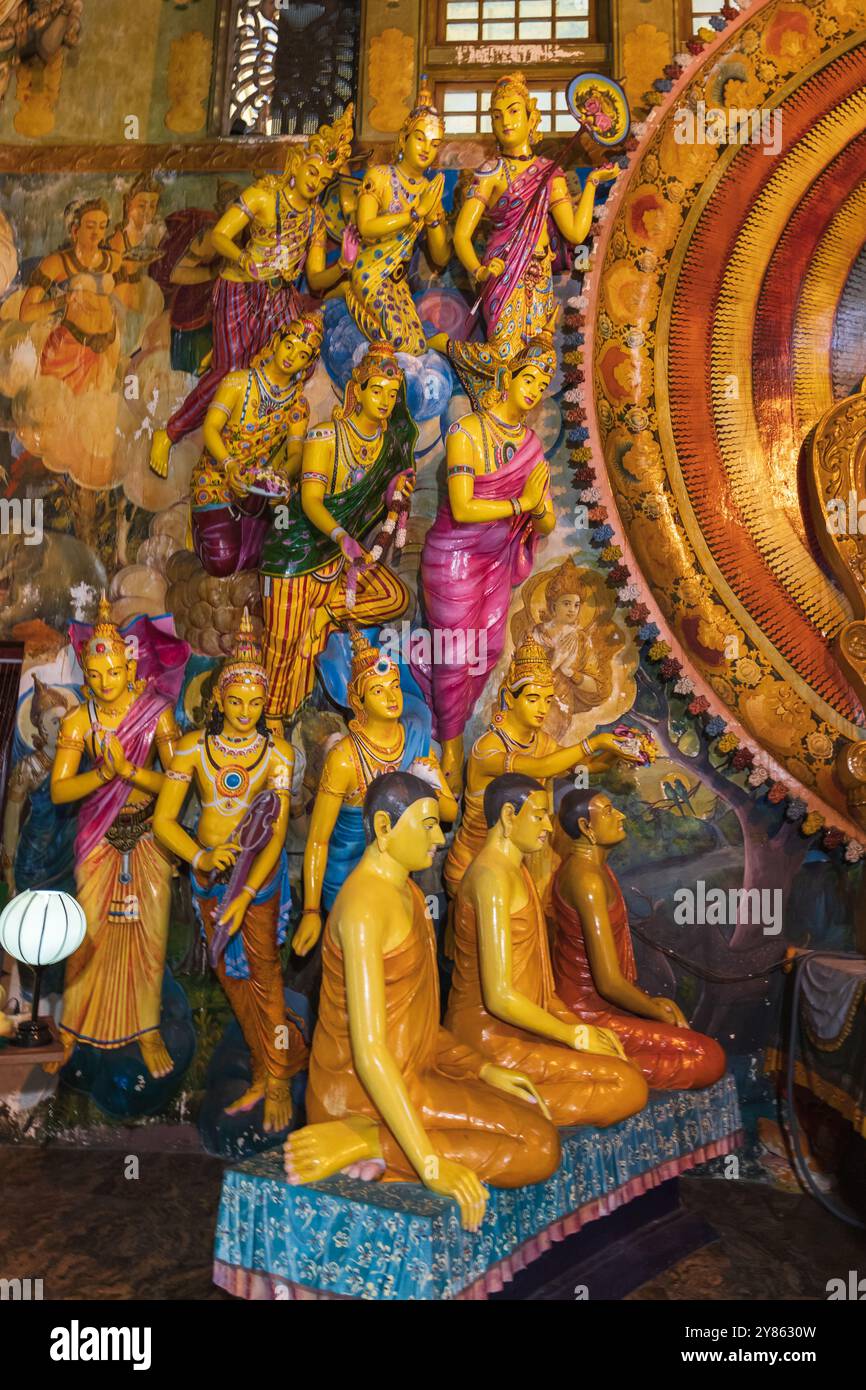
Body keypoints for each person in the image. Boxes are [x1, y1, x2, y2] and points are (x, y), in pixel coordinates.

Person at [284, 771, 562, 1232]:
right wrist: (430, 1164)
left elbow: (417, 1025)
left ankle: (375, 1142)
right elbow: (371, 1052)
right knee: (538, 1147)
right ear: (382, 829)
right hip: (359, 1098)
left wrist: (482, 1069)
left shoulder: (409, 893)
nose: (439, 836)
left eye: (438, 824)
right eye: (427, 824)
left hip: (413, 1076)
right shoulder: (362, 909)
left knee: (534, 1117)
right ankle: (367, 1141)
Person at [153, 610, 307, 1133]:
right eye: (236, 701)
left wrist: (245, 895)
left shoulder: (278, 753)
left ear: (266, 705)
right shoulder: (194, 748)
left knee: (264, 975)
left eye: (255, 703)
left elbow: (278, 834)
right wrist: (197, 856)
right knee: (231, 977)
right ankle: (264, 1069)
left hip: (257, 877)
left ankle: (281, 1076)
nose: (245, 712)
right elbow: (164, 821)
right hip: (209, 876)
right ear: (218, 699)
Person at [149, 106, 354, 476]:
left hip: (281, 299)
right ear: (297, 163)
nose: (315, 182)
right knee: (232, 371)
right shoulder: (263, 195)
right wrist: (244, 259)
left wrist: (343, 266)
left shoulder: (315, 218)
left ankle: (260, 445)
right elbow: (219, 235)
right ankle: (170, 432)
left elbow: (316, 278)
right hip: (241, 289)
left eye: (324, 180)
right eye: (312, 171)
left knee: (295, 369)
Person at [446, 773, 649, 1128]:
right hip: (489, 1036)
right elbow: (499, 997)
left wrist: (575, 1025)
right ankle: (482, 1102)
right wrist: (572, 1035)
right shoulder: (490, 878)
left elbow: (540, 988)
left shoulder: (518, 870)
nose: (548, 825)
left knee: (623, 1067)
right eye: (538, 815)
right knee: (625, 1086)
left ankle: (500, 1099)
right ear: (510, 816)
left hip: (526, 1026)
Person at [49, 598, 188, 1076]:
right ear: (84, 673)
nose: (104, 684)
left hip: (148, 836)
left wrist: (129, 771)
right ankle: (69, 1029)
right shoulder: (77, 721)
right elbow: (60, 789)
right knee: (86, 936)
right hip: (98, 837)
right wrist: (102, 776)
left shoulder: (157, 715)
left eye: (112, 672)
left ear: (130, 667)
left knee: (150, 939)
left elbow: (177, 781)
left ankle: (146, 1030)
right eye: (94, 675)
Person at [429, 70, 618, 404]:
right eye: (497, 115)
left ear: (532, 116)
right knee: (502, 354)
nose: (506, 121)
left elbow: (575, 232)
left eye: (515, 111)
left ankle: (510, 422)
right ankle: (445, 345)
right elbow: (461, 236)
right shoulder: (491, 172)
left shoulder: (550, 172)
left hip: (539, 276)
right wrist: (479, 271)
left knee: (537, 358)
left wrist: (591, 185)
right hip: (503, 273)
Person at [418, 335, 555, 791]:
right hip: (453, 560)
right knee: (455, 652)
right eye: (529, 377)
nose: (535, 388)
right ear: (507, 378)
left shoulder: (532, 446)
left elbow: (548, 517)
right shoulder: (466, 432)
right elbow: (462, 507)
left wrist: (535, 507)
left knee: (489, 650)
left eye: (544, 382)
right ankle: (452, 745)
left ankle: (449, 718)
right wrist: (522, 505)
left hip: (496, 563)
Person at [259, 341, 415, 725]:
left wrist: (396, 496)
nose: (384, 400)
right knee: (284, 646)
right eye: (376, 390)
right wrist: (341, 537)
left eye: (392, 394)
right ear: (357, 390)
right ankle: (274, 721)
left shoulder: (391, 448)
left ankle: (325, 616)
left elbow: (380, 510)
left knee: (394, 597)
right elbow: (311, 502)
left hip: (341, 561)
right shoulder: (325, 437)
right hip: (298, 551)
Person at [293, 628, 457, 956]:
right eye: (379, 690)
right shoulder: (344, 759)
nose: (392, 696)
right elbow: (318, 840)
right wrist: (310, 911)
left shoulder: (414, 737)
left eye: (395, 687)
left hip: (399, 874)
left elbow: (449, 816)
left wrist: (431, 779)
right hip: (348, 875)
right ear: (358, 701)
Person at [552, 789, 726, 1089]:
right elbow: (607, 983)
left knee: (696, 1044)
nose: (619, 816)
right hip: (587, 1014)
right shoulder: (587, 880)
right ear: (585, 827)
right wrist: (655, 1011)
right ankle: (591, 1067)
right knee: (707, 1058)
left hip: (608, 1006)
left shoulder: (596, 869)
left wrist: (650, 1004)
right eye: (608, 811)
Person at [190, 313, 323, 576]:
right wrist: (228, 465)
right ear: (276, 341)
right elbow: (211, 428)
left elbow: (296, 451)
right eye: (289, 345)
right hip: (216, 479)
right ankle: (197, 529)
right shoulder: (238, 382)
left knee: (273, 553)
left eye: (303, 354)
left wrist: (284, 475)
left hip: (259, 492)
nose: (291, 355)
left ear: (307, 365)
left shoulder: (298, 404)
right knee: (222, 563)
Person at [346, 77, 449, 354]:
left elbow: (440, 258)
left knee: (416, 345)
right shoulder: (378, 176)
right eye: (420, 138)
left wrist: (434, 217)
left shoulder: (429, 190)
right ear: (404, 139)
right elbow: (366, 227)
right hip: (371, 273)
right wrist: (416, 212)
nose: (427, 148)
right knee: (399, 341)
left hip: (398, 282)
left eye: (435, 143)